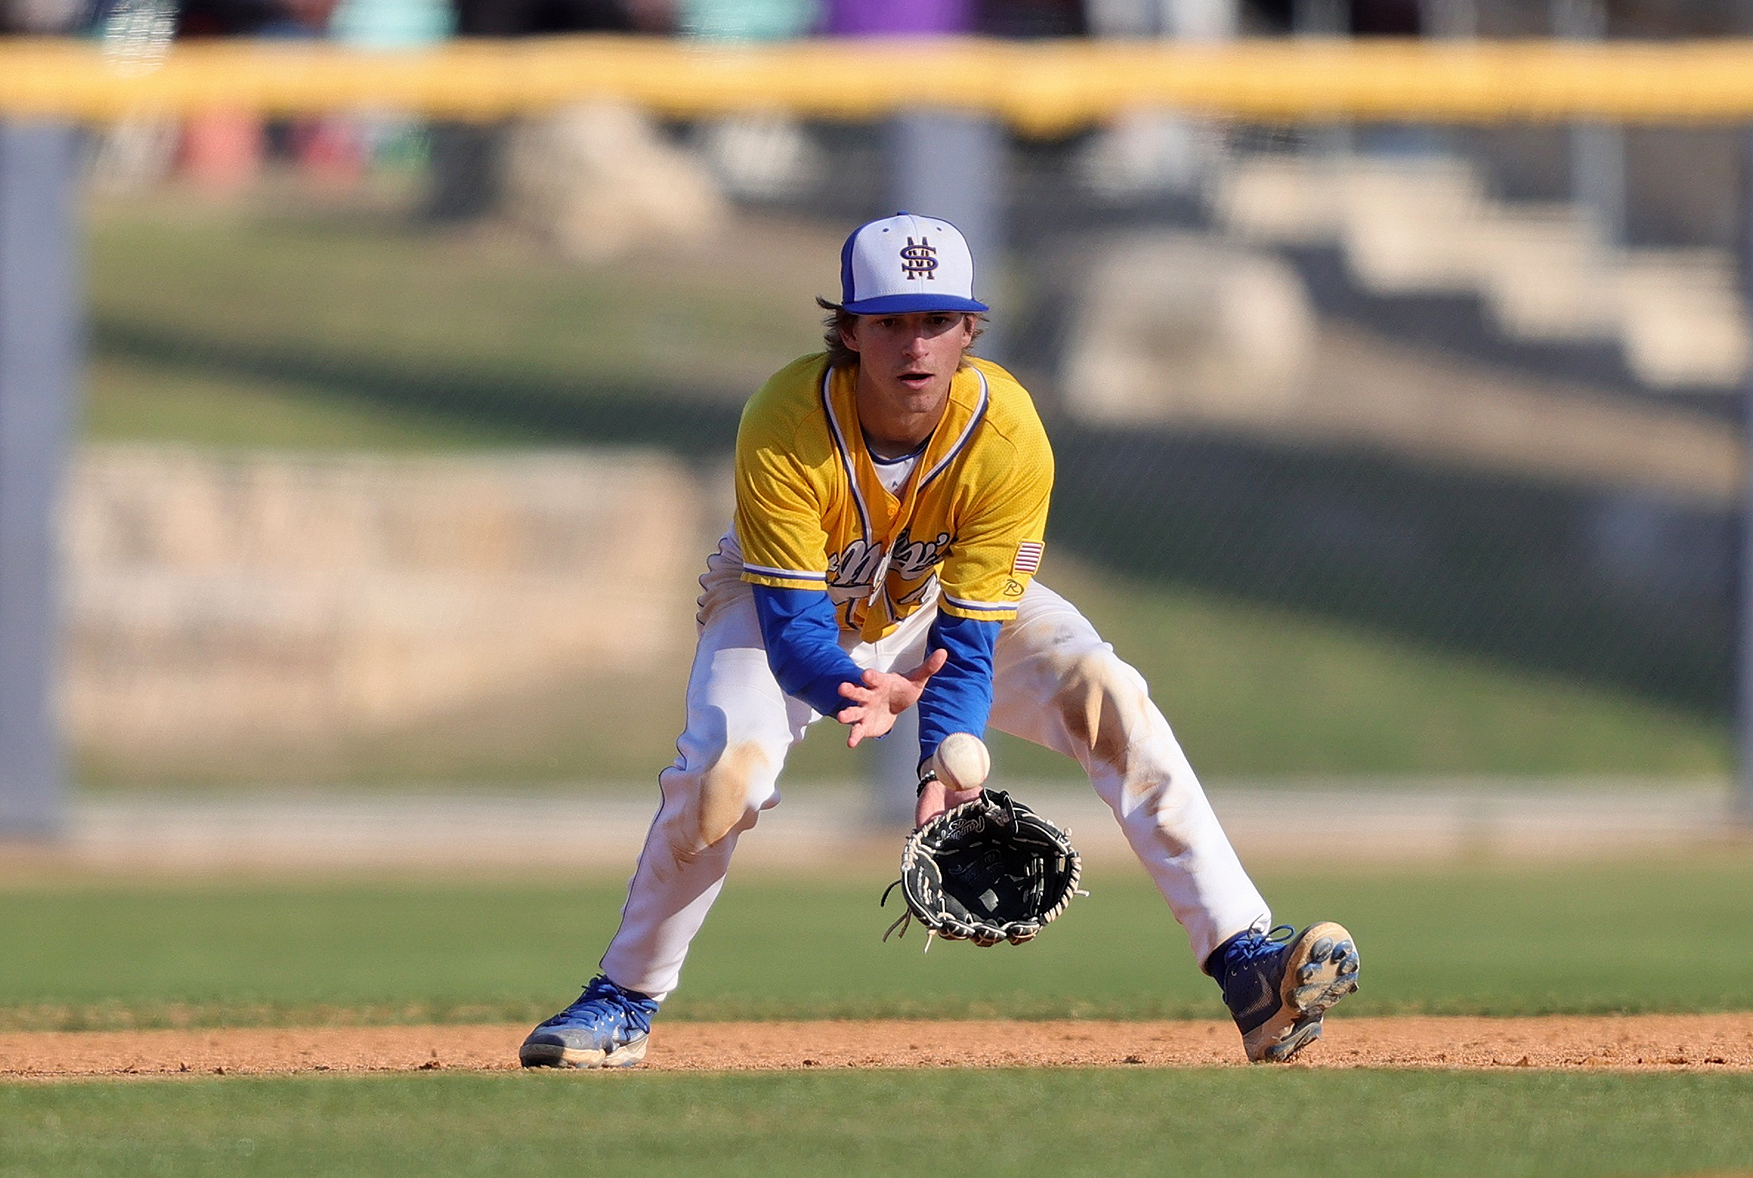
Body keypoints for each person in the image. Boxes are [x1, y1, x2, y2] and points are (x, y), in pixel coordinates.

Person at [518, 211, 1360, 1069]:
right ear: (848, 331)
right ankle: (622, 999)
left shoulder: (1006, 432)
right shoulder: (786, 418)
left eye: (936, 321)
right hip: (791, 608)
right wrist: (856, 688)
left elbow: (972, 631)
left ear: (969, 330)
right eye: (888, 322)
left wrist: (941, 761)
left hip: (936, 610)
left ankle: (1249, 970)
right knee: (723, 769)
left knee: (1109, 693)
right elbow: (797, 631)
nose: (914, 346)